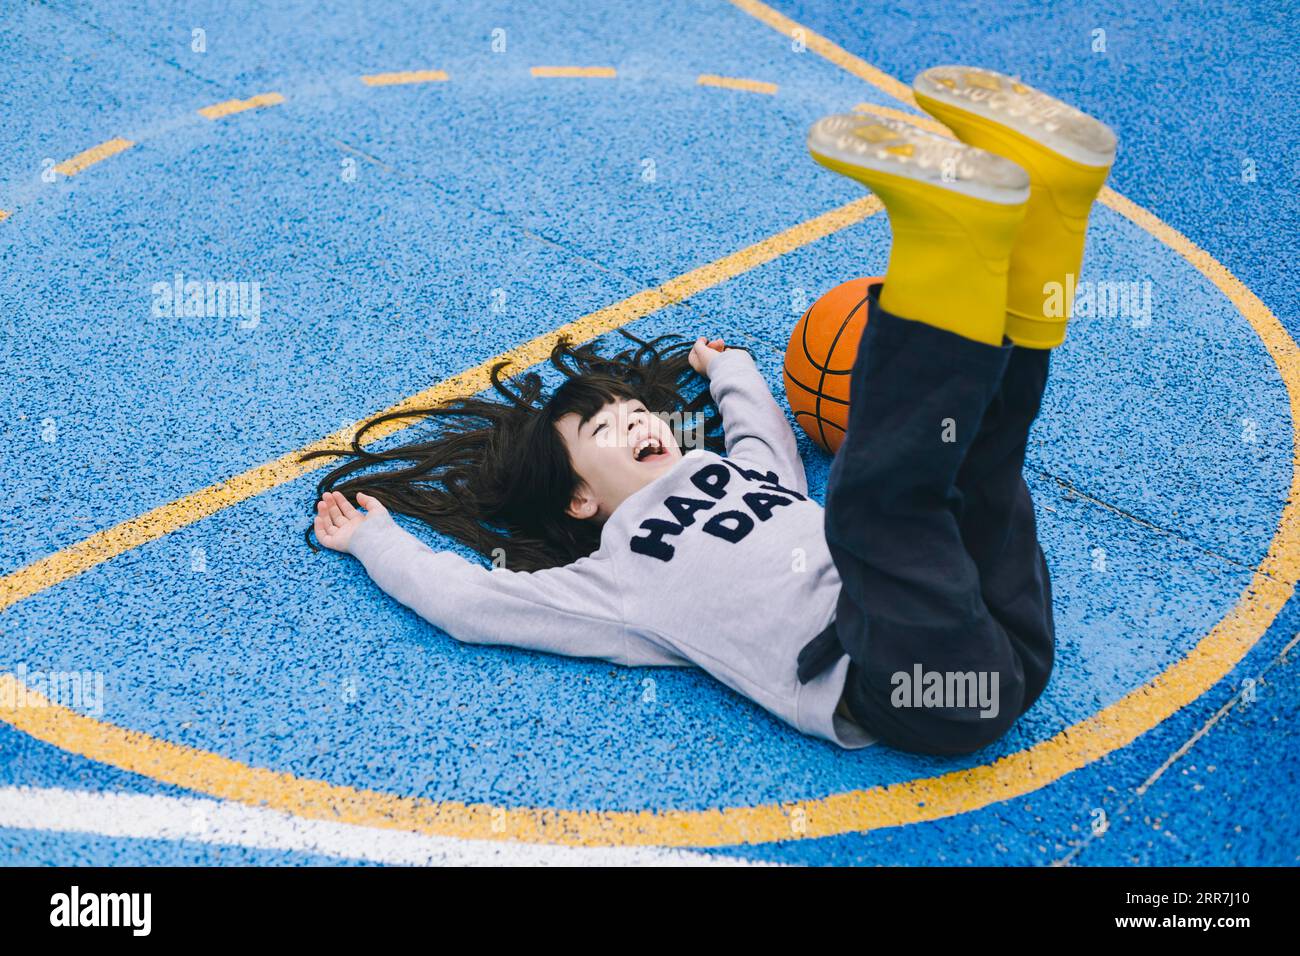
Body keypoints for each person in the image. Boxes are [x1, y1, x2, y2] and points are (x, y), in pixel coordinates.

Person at [307, 65, 1116, 756]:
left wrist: (729, 370)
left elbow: (761, 430)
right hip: (914, 687)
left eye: (633, 410)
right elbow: (470, 604)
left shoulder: (734, 468)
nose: (636, 422)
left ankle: (1051, 207)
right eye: (605, 430)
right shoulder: (614, 579)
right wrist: (375, 540)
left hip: (996, 629)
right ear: (580, 498)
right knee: (875, 504)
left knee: (984, 454)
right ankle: (943, 240)